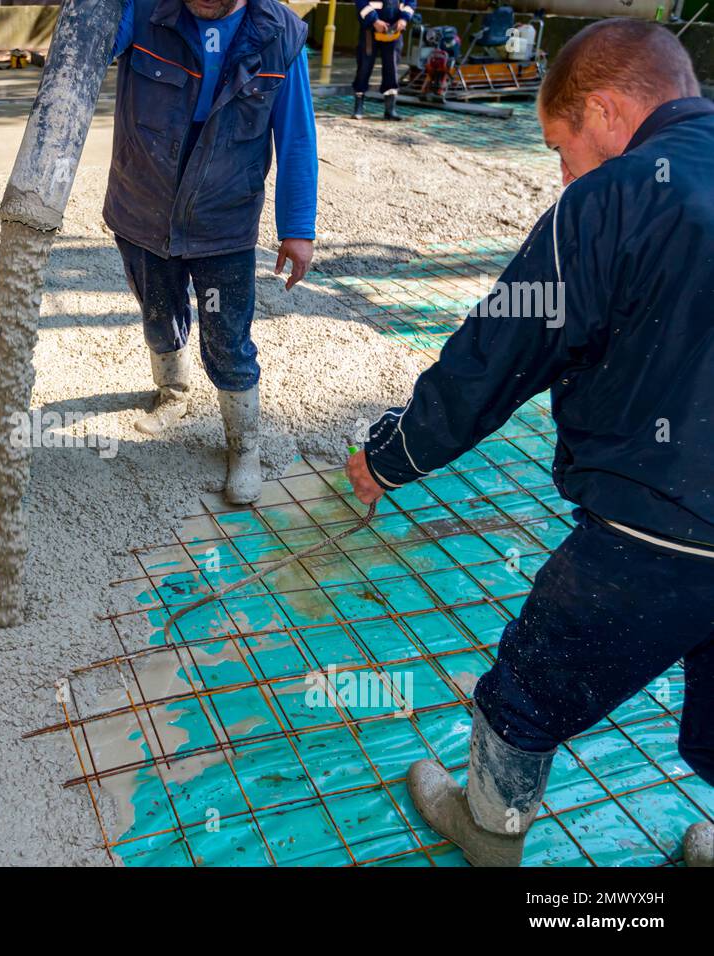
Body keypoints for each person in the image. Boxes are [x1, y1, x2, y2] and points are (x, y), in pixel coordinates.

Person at [345, 19, 714, 867]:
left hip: (658, 526)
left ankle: (487, 831)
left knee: (528, 689)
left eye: (559, 146)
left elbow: (492, 360)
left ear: (605, 111)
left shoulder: (611, 198)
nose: (563, 171)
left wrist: (392, 458)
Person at [107, 0, 317, 504]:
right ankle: (173, 392)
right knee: (158, 311)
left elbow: (296, 137)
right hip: (145, 206)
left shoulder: (280, 36)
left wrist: (297, 228)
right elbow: (87, 48)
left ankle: (244, 445)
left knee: (227, 335)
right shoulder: (141, 9)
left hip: (224, 219)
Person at [352, 0, 414, 120]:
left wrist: (404, 19)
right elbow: (361, 2)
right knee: (364, 67)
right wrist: (374, 20)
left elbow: (410, 2)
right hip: (369, 30)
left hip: (394, 31)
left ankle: (390, 110)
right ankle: (358, 108)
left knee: (392, 69)